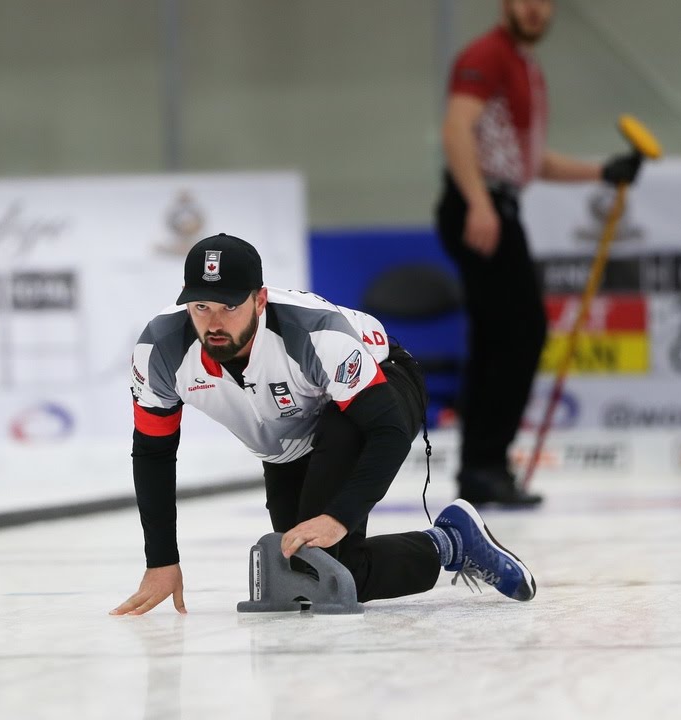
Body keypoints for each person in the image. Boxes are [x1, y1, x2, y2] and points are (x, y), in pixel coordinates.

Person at [111, 234, 536, 616]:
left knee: (331, 559)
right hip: (290, 437)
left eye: (230, 306)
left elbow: (386, 432)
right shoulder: (160, 351)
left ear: (259, 301)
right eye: (201, 306)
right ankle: (449, 541)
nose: (215, 323)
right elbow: (153, 452)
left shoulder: (312, 333)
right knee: (310, 573)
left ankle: (452, 545)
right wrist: (161, 560)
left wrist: (338, 516)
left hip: (378, 387)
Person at [437, 0, 642, 506]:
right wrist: (480, 204)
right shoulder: (488, 54)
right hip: (480, 208)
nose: (535, 9)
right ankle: (485, 463)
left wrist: (600, 171)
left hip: (495, 205)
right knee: (520, 332)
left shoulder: (525, 65)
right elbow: (455, 128)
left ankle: (481, 468)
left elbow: (526, 162)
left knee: (498, 338)